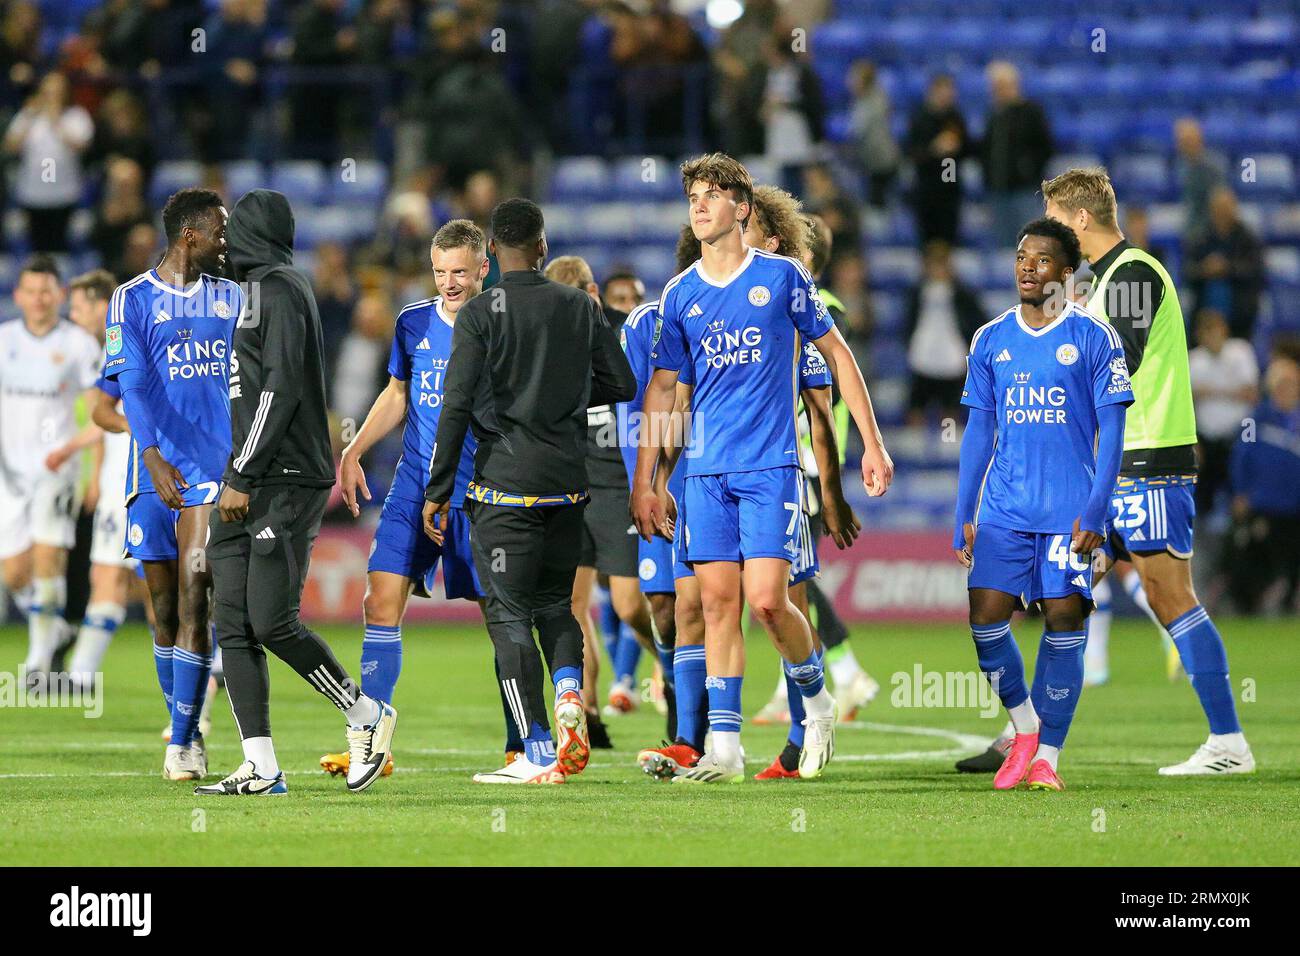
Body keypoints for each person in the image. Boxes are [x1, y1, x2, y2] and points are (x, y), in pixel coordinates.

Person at [632, 153, 893, 784]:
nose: (699, 204)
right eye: (693, 194)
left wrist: (873, 445)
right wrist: (649, 478)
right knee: (719, 606)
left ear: (742, 208)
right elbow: (665, 390)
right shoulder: (680, 293)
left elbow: (836, 357)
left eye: (713, 194)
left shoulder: (781, 279)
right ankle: (724, 747)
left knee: (769, 602)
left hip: (770, 469)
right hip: (704, 474)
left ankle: (818, 698)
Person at [1043, 167, 1255, 775]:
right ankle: (1029, 740)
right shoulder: (1103, 278)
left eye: (1058, 219)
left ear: (1082, 219)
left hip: (1148, 458)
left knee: (1168, 593)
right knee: (1062, 589)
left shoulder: (1133, 273)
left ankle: (1228, 742)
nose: (1053, 232)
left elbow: (1117, 361)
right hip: (1115, 461)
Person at [422, 198, 637, 785]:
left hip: (504, 490)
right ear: (542, 248)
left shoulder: (478, 315)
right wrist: (562, 397)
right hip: (570, 489)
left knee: (509, 614)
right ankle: (571, 697)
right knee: (555, 606)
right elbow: (622, 382)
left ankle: (538, 749)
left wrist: (438, 490)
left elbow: (456, 406)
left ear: (491, 251)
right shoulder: (578, 306)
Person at [200, 189, 395, 797]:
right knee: (231, 621)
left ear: (257, 231)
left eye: (234, 228)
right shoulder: (258, 289)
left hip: (281, 478)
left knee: (271, 620)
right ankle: (260, 764)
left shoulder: (278, 288)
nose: (224, 239)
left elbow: (278, 391)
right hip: (252, 474)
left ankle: (367, 715)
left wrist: (242, 472)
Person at [318, 219, 523, 778]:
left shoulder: (504, 323)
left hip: (478, 489)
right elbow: (399, 393)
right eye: (440, 272)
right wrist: (355, 448)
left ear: (484, 267)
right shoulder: (412, 323)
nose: (449, 283)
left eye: (460, 271)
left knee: (499, 616)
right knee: (378, 603)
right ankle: (372, 742)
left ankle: (521, 743)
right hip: (413, 484)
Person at [954, 218, 1132, 792]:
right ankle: (1026, 727)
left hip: (1067, 513)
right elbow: (979, 434)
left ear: (1065, 272)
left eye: (1041, 260)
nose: (1027, 267)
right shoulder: (990, 339)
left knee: (1062, 619)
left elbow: (1113, 433)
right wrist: (966, 510)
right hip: (1005, 510)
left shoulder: (1094, 338)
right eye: (1021, 257)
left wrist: (1097, 511)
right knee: (985, 621)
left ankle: (1047, 757)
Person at [104, 189, 242, 782]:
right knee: (161, 611)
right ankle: (181, 724)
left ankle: (183, 743)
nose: (226, 240)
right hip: (152, 473)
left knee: (195, 597)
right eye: (220, 230)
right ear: (190, 234)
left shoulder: (235, 298)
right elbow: (130, 387)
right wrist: (152, 455)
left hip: (211, 471)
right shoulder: (129, 300)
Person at [543, 255, 657, 727]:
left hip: (616, 485)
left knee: (631, 604)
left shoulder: (619, 337)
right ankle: (587, 709)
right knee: (572, 604)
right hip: (572, 486)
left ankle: (671, 663)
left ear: (591, 296)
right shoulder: (548, 343)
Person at [0, 257, 101, 689]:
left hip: (57, 466)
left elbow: (101, 411)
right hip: (9, 472)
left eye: (47, 292)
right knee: (13, 573)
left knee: (48, 559)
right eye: (31, 291)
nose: (39, 300)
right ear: (18, 295)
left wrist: (91, 470)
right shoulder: (4, 340)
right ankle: (54, 628)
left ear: (59, 296)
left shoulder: (79, 345)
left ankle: (39, 661)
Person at [1226, 354, 1300, 613]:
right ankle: (1246, 604)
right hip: (1262, 501)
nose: (1288, 390)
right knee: (1254, 558)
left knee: (1293, 558)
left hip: (1294, 505)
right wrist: (1240, 492)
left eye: (1292, 384)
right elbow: (1240, 455)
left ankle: (1288, 601)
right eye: (1282, 384)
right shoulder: (1254, 418)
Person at [2, 71, 94, 252]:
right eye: (48, 91)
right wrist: (29, 116)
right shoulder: (28, 115)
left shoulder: (76, 115)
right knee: (36, 249)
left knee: (61, 249)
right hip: (32, 195)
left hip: (64, 195)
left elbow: (81, 146)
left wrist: (56, 119)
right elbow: (10, 146)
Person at [904, 239, 986, 426]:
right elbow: (908, 322)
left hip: (952, 360)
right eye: (933, 263)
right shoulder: (917, 293)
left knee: (950, 412)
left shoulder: (963, 295)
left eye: (941, 263)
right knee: (916, 409)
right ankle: (914, 448)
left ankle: (947, 447)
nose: (937, 268)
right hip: (921, 358)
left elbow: (978, 322)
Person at [1189, 308, 1258, 515]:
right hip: (1206, 434)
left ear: (1224, 330)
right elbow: (1188, 401)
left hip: (1242, 430)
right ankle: (1202, 516)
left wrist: (1207, 391)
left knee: (1251, 436)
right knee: (1198, 467)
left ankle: (1245, 506)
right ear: (1199, 335)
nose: (1212, 337)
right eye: (1206, 332)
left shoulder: (1241, 351)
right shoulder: (1194, 359)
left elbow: (1252, 394)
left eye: (1215, 330)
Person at [979, 62, 1053, 249]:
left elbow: (1045, 148)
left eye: (1002, 86)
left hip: (1024, 191)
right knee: (1003, 246)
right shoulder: (993, 116)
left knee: (1029, 244)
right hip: (997, 191)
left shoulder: (1031, 113)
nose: (998, 92)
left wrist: (1028, 170)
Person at [1184, 186, 1265, 341]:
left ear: (1234, 209)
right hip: (1204, 316)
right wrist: (1204, 269)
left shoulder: (1248, 238)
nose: (1222, 213)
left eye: (1225, 208)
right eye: (1217, 209)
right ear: (1211, 210)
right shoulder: (1201, 238)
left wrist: (1227, 267)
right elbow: (1188, 271)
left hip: (1239, 317)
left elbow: (1256, 271)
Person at [905, 73, 969, 245]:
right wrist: (934, 150)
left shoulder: (955, 118)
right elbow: (911, 153)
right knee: (928, 241)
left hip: (950, 192)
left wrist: (958, 147)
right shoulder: (920, 119)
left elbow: (967, 150)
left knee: (950, 240)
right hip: (927, 192)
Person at [847, 60, 900, 208]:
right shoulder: (865, 101)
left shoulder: (872, 104)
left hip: (880, 162)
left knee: (878, 205)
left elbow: (858, 131)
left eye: (854, 78)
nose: (850, 82)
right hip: (871, 160)